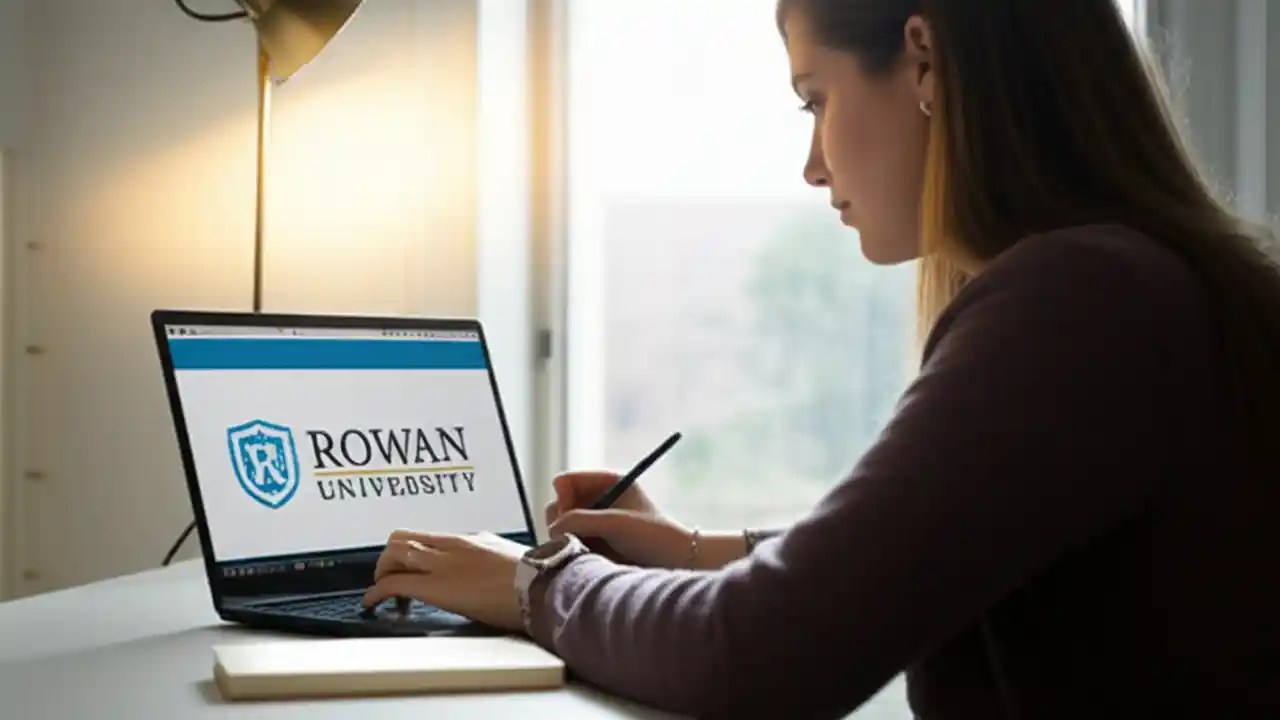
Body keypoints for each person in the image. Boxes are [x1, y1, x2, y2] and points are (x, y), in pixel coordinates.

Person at [363, 1, 1280, 717]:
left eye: (817, 99)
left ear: (924, 60)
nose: (811, 163)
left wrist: (534, 583)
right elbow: (924, 553)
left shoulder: (1079, 303)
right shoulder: (1141, 285)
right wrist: (697, 553)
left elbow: (759, 655)